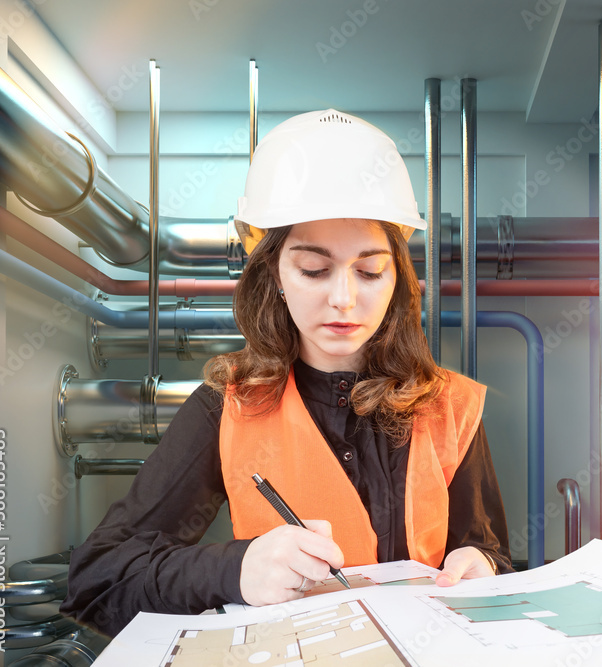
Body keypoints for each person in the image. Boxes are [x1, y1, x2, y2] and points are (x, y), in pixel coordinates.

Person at [61, 109, 512, 636]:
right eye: (313, 269)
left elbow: (488, 552)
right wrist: (235, 569)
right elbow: (96, 581)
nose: (343, 299)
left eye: (369, 270)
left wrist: (486, 568)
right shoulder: (224, 410)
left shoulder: (450, 407)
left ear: (397, 276)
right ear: (273, 272)